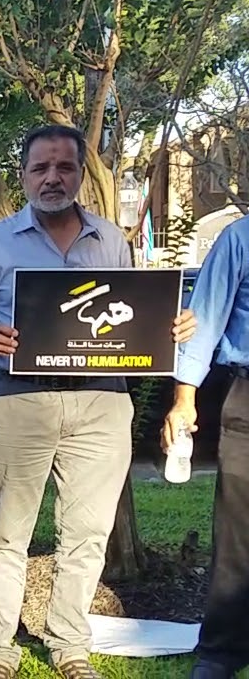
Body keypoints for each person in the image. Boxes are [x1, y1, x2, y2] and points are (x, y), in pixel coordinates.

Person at [0, 124, 198, 679]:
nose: (52, 178)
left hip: (101, 405)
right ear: (24, 176)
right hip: (19, 403)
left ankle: (70, 646)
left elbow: (133, 316)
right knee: (6, 534)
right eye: (41, 168)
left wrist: (170, 325)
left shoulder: (111, 240)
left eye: (64, 167)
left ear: (81, 174)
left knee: (86, 535)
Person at [161, 214, 249, 679]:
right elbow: (207, 317)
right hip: (248, 398)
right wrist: (183, 401)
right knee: (238, 534)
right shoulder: (239, 238)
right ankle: (221, 652)